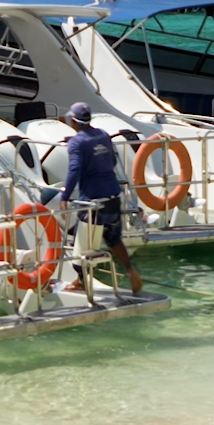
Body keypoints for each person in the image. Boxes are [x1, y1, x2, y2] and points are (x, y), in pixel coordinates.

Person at [57, 100, 132, 293]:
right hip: (113, 196)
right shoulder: (104, 135)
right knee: (113, 239)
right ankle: (131, 271)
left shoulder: (76, 142)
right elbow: (113, 160)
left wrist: (65, 196)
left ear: (73, 122)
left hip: (94, 201)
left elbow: (74, 170)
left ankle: (81, 281)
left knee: (80, 244)